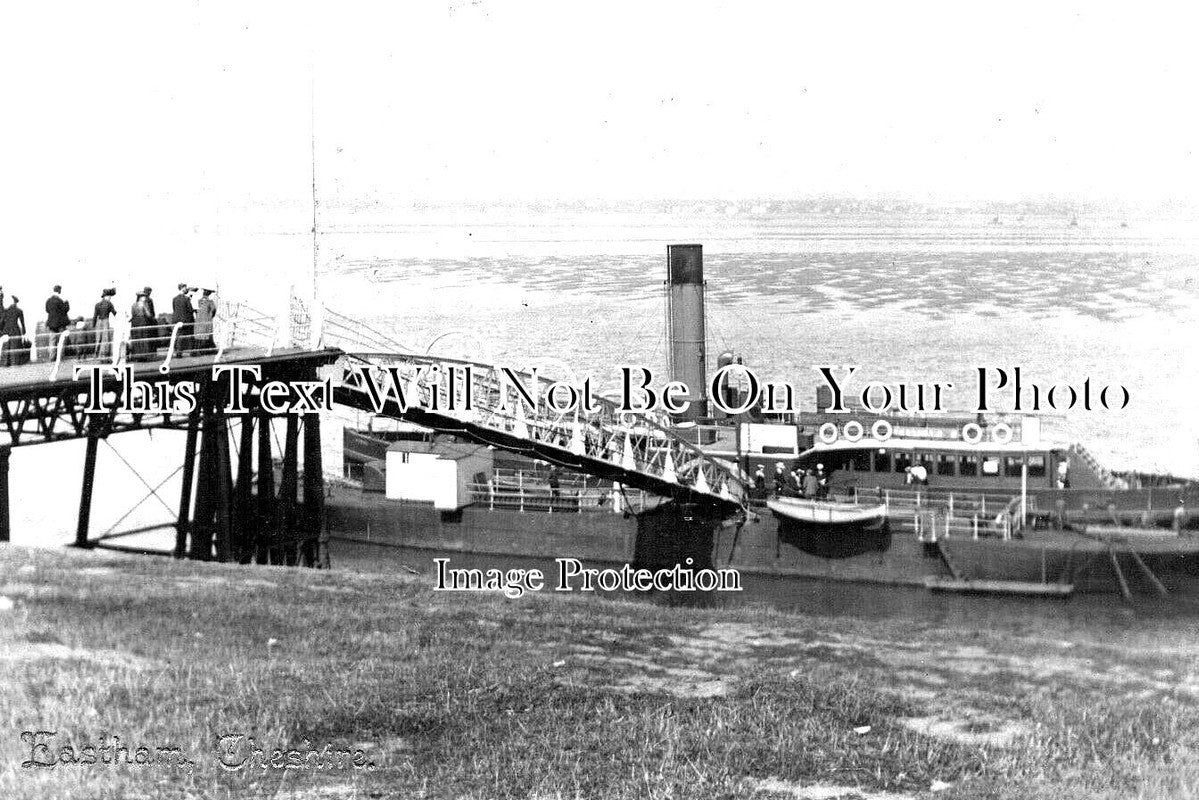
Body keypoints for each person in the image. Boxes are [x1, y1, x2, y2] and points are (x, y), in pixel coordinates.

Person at [0, 296, 27, 366]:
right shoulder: (19, 311)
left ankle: (5, 363)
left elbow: (2, 321)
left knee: (6, 348)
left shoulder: (6, 311)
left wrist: (1, 331)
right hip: (15, 330)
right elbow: (22, 323)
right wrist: (24, 332)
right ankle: (15, 363)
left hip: (6, 331)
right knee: (15, 348)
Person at [45, 285, 71, 355]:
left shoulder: (48, 300)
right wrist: (66, 302)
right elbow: (66, 310)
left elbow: (47, 310)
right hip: (60, 323)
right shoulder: (61, 300)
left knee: (52, 340)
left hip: (51, 324)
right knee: (61, 340)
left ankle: (52, 356)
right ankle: (60, 355)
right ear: (59, 290)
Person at [92, 288, 117, 360]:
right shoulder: (109, 303)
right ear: (107, 296)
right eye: (109, 297)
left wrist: (93, 325)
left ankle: (96, 355)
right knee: (105, 338)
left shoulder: (97, 304)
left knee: (98, 339)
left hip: (99, 322)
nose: (110, 298)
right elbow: (115, 313)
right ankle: (105, 356)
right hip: (105, 321)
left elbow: (94, 316)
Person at [129, 290, 154, 360]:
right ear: (141, 297)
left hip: (135, 323)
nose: (145, 298)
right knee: (144, 338)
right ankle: (145, 355)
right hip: (143, 321)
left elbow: (132, 314)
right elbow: (148, 314)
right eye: (144, 296)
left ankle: (137, 355)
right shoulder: (144, 304)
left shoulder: (134, 305)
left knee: (137, 339)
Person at [172, 283, 195, 355]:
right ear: (182, 288)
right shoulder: (186, 298)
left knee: (179, 336)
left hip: (177, 320)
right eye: (185, 288)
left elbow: (174, 309)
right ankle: (192, 352)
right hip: (186, 320)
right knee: (190, 336)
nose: (186, 289)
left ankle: (179, 352)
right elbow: (190, 309)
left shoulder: (174, 299)